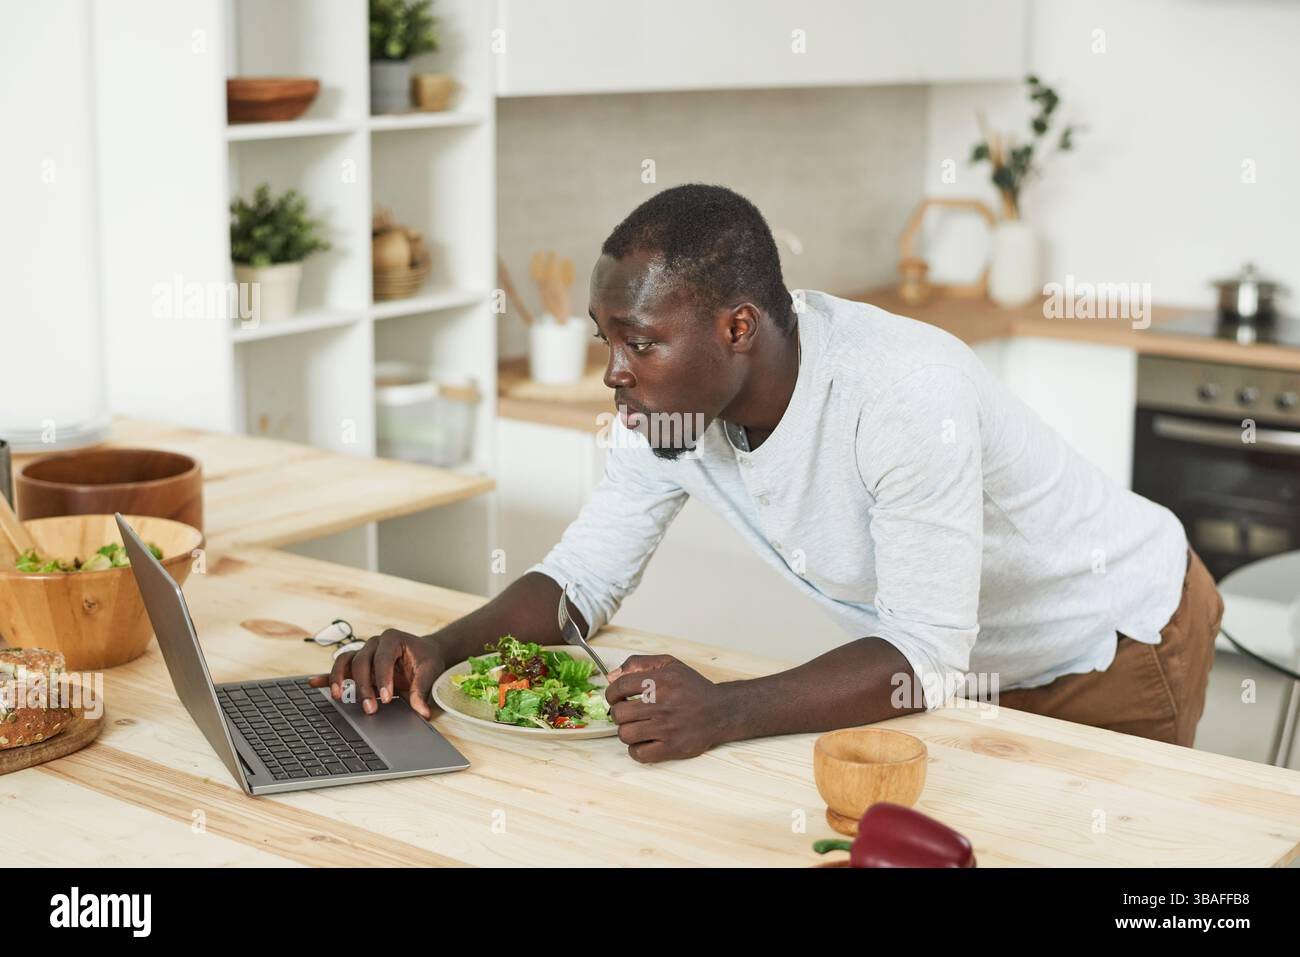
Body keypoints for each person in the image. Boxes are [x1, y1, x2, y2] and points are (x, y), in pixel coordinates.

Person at [312, 184, 1223, 762]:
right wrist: (439, 650)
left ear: (737, 328)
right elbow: (581, 579)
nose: (613, 371)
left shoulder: (901, 391)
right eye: (607, 338)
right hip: (957, 671)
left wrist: (724, 710)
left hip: (1111, 641)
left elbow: (921, 653)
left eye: (640, 341)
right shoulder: (668, 410)